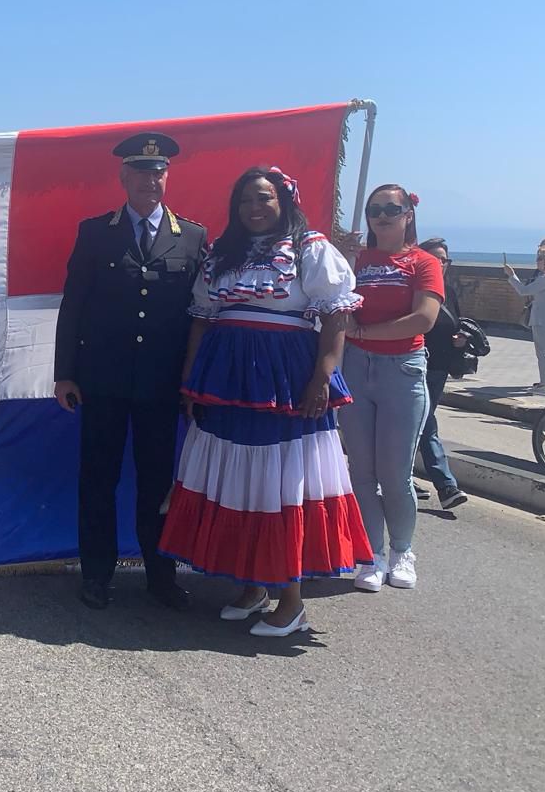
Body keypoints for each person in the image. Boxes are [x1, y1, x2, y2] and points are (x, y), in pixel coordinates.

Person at [159, 168, 371, 637]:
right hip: (226, 377)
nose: (253, 208)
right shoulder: (223, 253)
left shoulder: (309, 247)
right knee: (239, 478)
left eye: (263, 198)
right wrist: (191, 383)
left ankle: (291, 600)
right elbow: (201, 319)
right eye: (244, 201)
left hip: (284, 378)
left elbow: (337, 318)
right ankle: (254, 586)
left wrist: (323, 375)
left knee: (280, 481)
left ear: (285, 201)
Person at [53, 132, 207, 612]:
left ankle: (160, 576)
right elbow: (73, 306)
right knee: (97, 479)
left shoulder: (195, 237)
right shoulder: (95, 232)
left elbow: (201, 316)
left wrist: (194, 381)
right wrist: (65, 373)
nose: (151, 180)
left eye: (159, 172)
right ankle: (96, 575)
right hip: (103, 382)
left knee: (158, 485)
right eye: (141, 171)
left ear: (168, 177)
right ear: (124, 177)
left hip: (162, 388)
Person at [337, 184, 442, 593]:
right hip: (355, 368)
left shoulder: (424, 262)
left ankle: (402, 550)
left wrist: (363, 331)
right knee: (361, 472)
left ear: (408, 215)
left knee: (395, 475)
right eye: (375, 208)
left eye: (391, 209)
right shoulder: (355, 259)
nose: (382, 215)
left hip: (402, 370)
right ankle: (371, 553)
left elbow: (423, 319)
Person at [413, 238, 469, 510]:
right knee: (424, 423)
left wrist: (460, 338)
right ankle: (446, 485)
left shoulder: (449, 290)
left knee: (421, 422)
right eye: (434, 259)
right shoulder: (414, 289)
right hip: (414, 366)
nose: (440, 264)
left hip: (439, 367)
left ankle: (403, 476)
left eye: (444, 260)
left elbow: (454, 321)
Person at [505, 246, 545, 393]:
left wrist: (512, 276)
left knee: (544, 352)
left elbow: (523, 290)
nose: (537, 261)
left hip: (542, 319)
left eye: (540, 258)